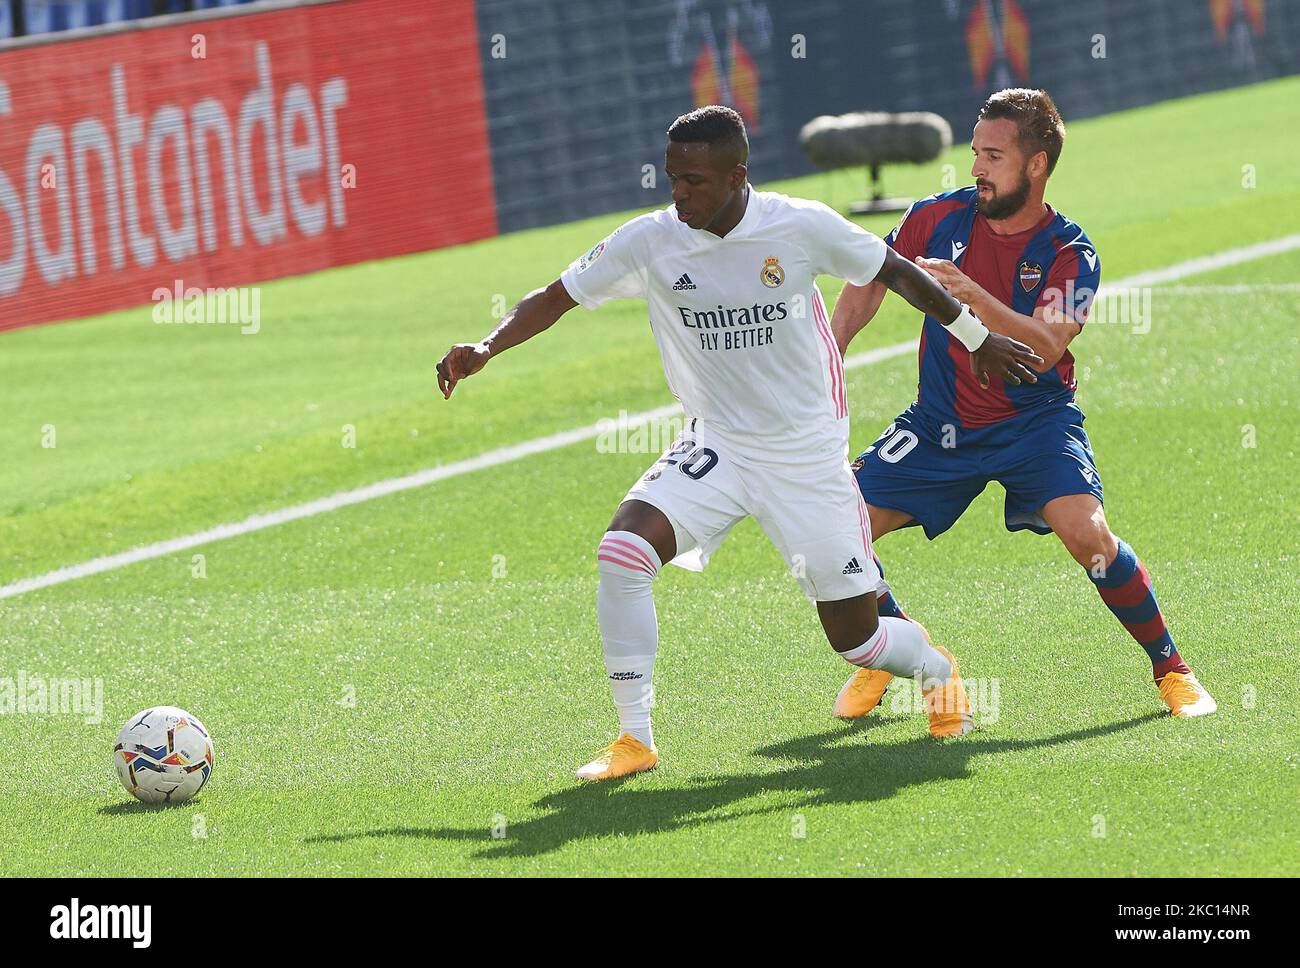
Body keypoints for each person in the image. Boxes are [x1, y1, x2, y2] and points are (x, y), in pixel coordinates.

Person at [436, 105, 1042, 781]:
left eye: (694, 180)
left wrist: (977, 338)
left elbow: (897, 272)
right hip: (719, 443)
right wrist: (487, 346)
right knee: (623, 551)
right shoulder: (652, 240)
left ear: (737, 176)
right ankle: (633, 739)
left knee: (857, 640)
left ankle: (933, 668)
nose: (679, 193)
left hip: (805, 453)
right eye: (672, 178)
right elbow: (557, 295)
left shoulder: (799, 225)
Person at [831, 89, 1216, 721]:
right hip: (939, 423)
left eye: (993, 155)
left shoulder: (1071, 252)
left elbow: (1041, 348)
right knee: (836, 527)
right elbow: (873, 273)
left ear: (1036, 165)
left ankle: (1172, 670)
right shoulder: (935, 217)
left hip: (1034, 422)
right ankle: (898, 648)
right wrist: (836, 346)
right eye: (975, 152)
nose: (977, 168)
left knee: (1088, 537)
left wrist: (971, 297)